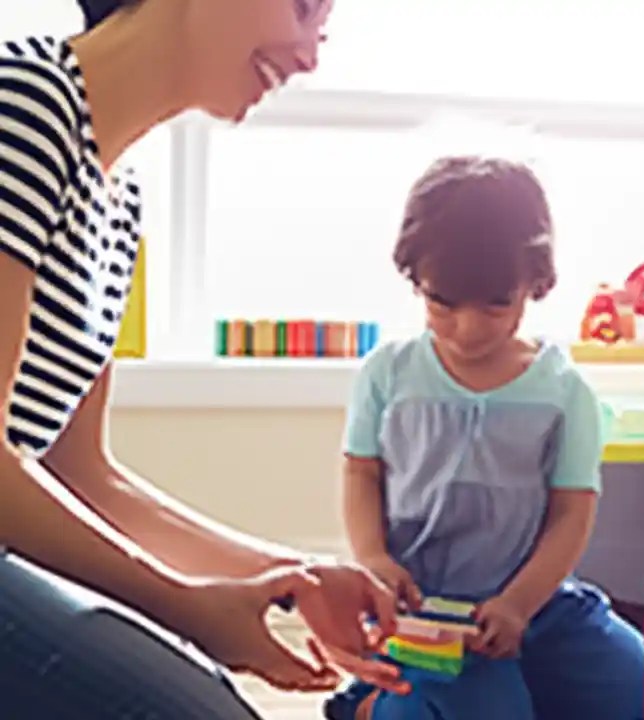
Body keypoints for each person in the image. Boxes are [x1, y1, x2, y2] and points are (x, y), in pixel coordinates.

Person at [0, 1, 409, 718]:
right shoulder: (25, 108)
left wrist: (293, 575)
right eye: (303, 8)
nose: (310, 55)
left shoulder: (120, 196)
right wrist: (186, 607)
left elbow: (81, 474)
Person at [323, 156, 644, 720]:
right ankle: (367, 705)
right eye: (442, 303)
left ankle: (510, 680)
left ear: (533, 282)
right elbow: (361, 472)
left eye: (495, 304)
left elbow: (571, 513)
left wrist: (518, 603)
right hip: (425, 608)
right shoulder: (388, 373)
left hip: (537, 601)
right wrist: (371, 558)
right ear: (415, 281)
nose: (468, 328)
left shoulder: (563, 391)